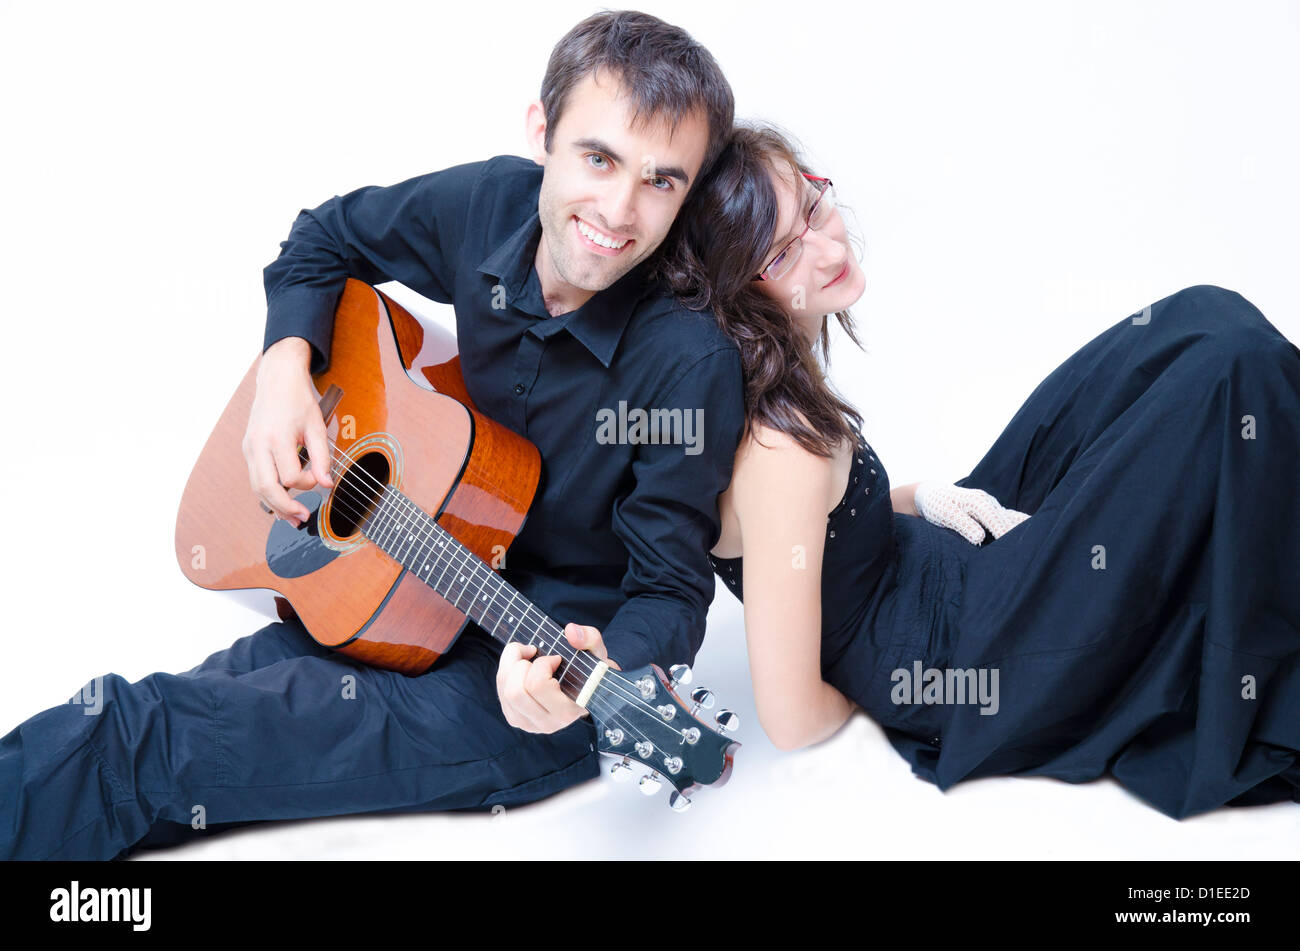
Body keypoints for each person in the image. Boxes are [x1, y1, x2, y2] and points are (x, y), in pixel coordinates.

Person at [0, 10, 745, 860]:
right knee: (123, 723)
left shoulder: (689, 362)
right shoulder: (488, 205)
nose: (618, 211)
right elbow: (325, 237)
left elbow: (670, 590)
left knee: (145, 740)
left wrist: (596, 669)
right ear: (542, 132)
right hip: (392, 579)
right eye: (598, 157)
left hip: (518, 674)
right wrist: (285, 374)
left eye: (661, 181)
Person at [655, 120, 1300, 819]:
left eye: (811, 208)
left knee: (1198, 318)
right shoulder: (782, 453)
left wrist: (920, 499)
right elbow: (790, 715)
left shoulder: (779, 378)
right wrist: (878, 693)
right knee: (1237, 365)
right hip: (972, 656)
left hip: (948, 569)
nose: (826, 244)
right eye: (783, 255)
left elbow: (829, 533)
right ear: (740, 295)